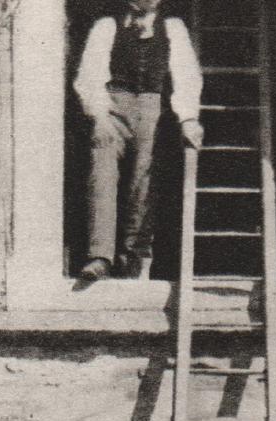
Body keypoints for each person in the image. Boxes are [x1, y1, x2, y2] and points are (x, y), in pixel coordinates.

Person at [73, 0, 204, 284]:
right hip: (113, 105)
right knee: (102, 171)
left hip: (152, 106)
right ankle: (100, 256)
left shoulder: (172, 28)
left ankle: (135, 258)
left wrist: (189, 117)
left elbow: (186, 75)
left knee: (144, 181)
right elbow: (89, 74)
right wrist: (99, 114)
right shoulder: (107, 26)